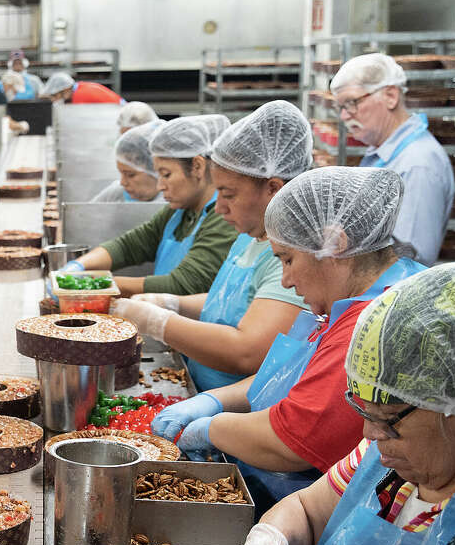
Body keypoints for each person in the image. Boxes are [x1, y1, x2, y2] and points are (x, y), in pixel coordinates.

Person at [163, 264, 455, 545]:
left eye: (387, 422)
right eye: (362, 412)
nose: (368, 435)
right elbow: (307, 510)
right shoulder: (386, 461)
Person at [152, 166, 425, 510]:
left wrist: (212, 428)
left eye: (287, 259)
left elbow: (292, 438)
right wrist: (217, 400)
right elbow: (289, 375)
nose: (285, 281)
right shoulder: (344, 300)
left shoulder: (376, 319)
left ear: (335, 244)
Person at [112, 101, 312, 392]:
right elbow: (232, 301)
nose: (218, 208)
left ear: (273, 189)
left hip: (241, 414)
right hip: (201, 385)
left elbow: (246, 352)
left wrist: (159, 322)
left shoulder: (295, 254)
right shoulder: (251, 233)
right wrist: (173, 303)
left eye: (228, 194)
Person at [62, 114, 238, 297]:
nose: (160, 185)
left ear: (197, 167)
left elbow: (183, 285)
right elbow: (129, 246)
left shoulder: (223, 216)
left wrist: (94, 284)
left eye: (166, 174)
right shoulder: (179, 211)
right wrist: (80, 265)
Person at [331, 53, 453, 266]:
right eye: (340, 107)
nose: (344, 116)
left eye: (351, 103)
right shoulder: (380, 154)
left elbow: (411, 261)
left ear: (390, 96)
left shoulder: (417, 165)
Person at [89, 119, 167, 203]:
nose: (123, 182)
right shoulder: (117, 193)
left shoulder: (171, 204)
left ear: (156, 172)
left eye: (130, 175)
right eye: (121, 173)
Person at [41, 71, 123, 104]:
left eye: (55, 96)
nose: (55, 99)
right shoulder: (80, 86)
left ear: (65, 89)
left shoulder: (79, 96)